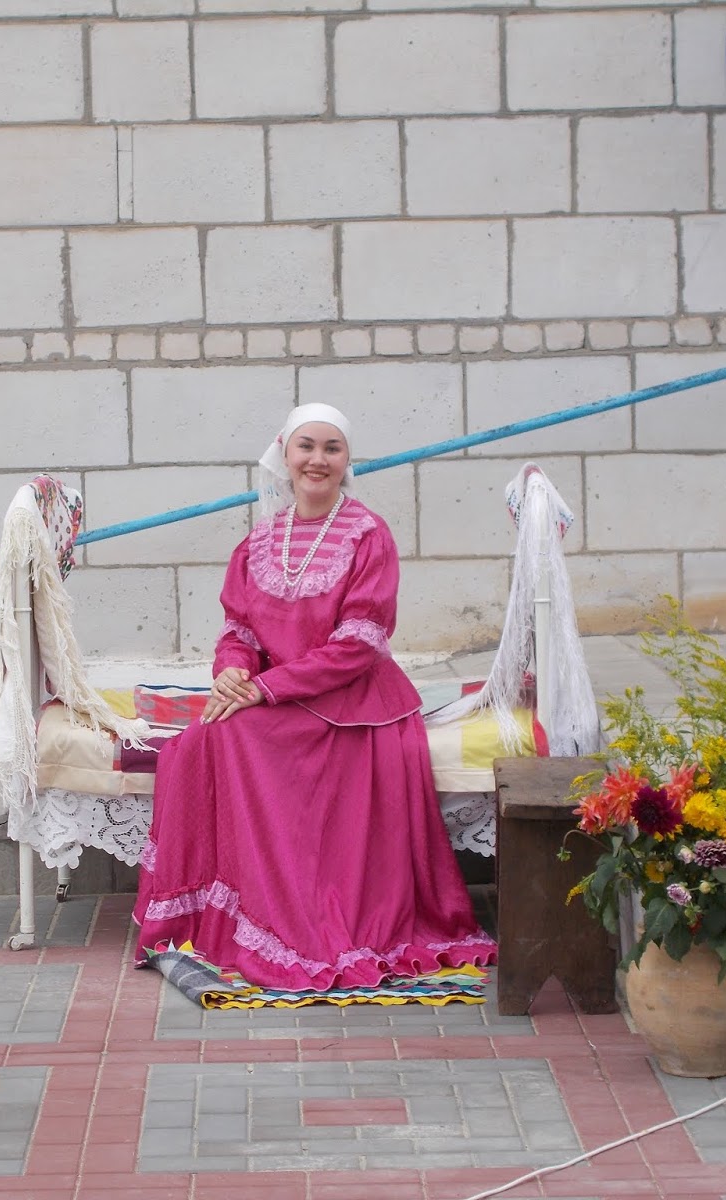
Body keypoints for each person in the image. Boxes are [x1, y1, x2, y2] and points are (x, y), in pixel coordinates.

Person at [133, 404, 497, 992]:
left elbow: (360, 642)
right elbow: (239, 629)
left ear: (347, 461)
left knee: (237, 734)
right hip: (275, 695)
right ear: (285, 454)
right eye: (307, 447)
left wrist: (264, 687)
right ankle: (245, 906)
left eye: (332, 448)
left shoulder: (368, 533)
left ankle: (295, 914)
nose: (318, 460)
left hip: (354, 703)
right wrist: (231, 671)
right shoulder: (259, 539)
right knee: (200, 741)